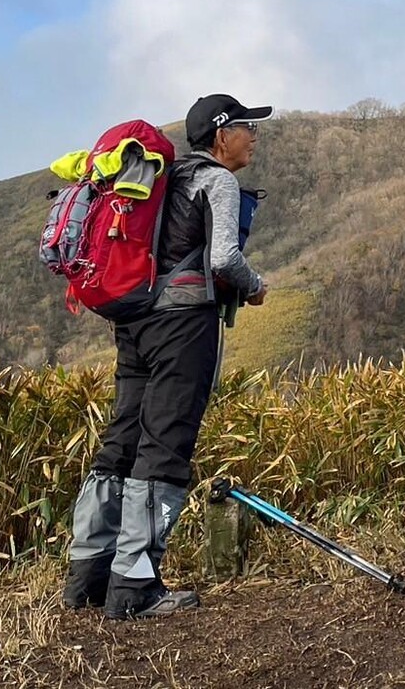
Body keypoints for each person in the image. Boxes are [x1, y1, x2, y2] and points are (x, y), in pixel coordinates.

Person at [62, 93, 272, 619]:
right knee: (164, 446)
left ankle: (88, 575)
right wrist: (255, 285)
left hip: (133, 324)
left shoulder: (164, 179)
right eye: (248, 127)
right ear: (222, 136)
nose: (255, 136)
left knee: (122, 441)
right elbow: (224, 257)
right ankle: (134, 586)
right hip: (182, 326)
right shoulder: (216, 181)